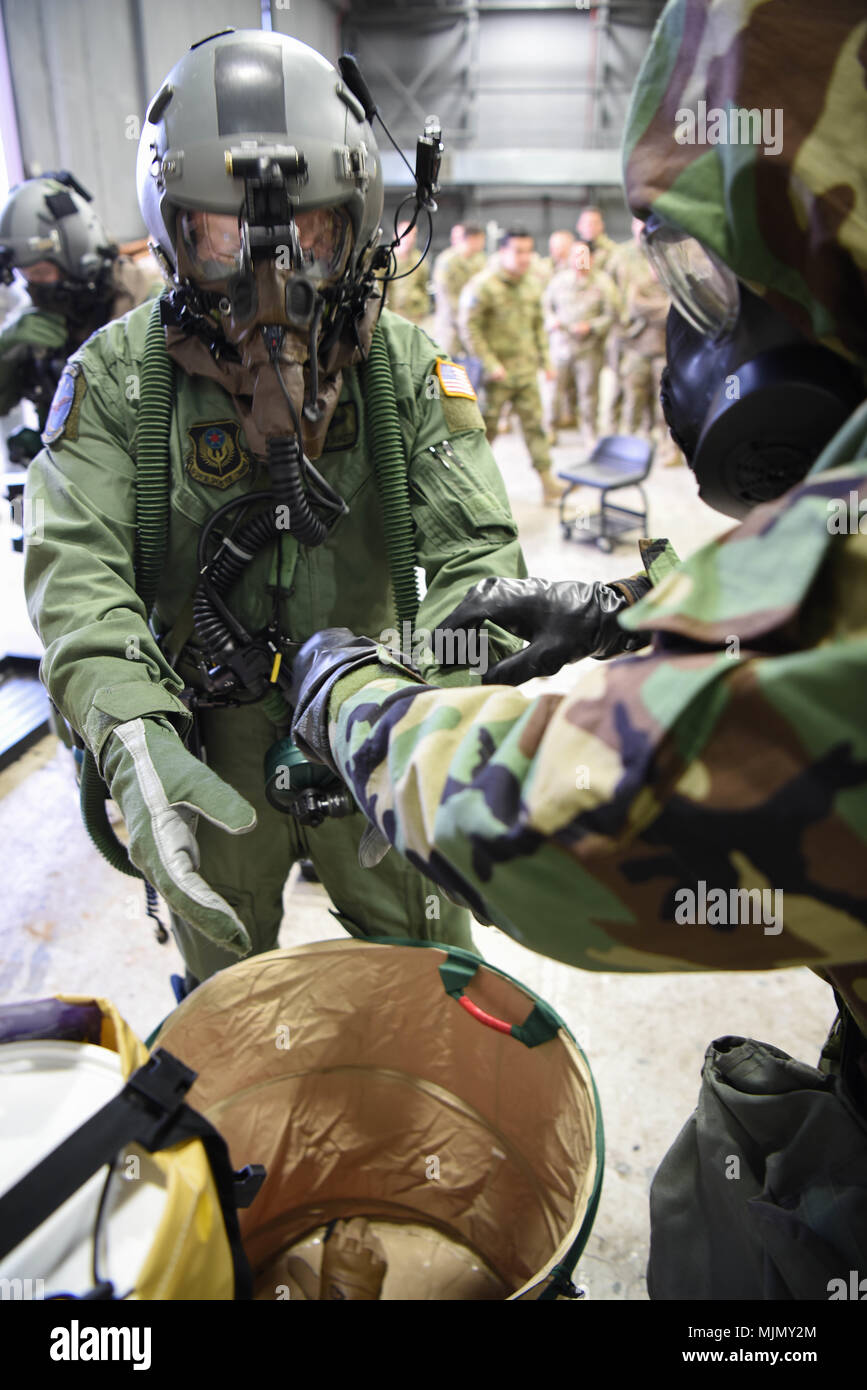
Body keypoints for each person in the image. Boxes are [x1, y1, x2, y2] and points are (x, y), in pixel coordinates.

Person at [288, 0, 867, 1300]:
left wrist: (351, 701)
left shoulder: (403, 355)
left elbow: (575, 825)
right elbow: (808, 618)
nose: (706, 333)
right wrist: (618, 615)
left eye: (728, 279)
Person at [23, 29, 530, 991]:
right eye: (223, 240)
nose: (274, 280)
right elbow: (77, 578)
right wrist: (131, 731)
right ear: (173, 232)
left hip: (373, 707)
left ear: (359, 221)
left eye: (312, 235)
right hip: (203, 732)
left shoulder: (410, 372)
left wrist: (431, 712)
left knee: (437, 979)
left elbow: (479, 564)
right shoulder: (117, 382)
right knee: (228, 990)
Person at [0, 173, 161, 462]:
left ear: (76, 254)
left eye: (41, 273)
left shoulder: (149, 303)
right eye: (27, 277)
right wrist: (5, 344)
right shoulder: (33, 324)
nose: (36, 287)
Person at [458, 229, 559, 505]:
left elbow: (539, 325)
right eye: (518, 251)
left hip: (526, 372)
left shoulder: (532, 284)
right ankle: (470, 490)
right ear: (503, 252)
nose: (525, 258)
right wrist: (490, 364)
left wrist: (546, 361)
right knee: (484, 432)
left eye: (528, 251)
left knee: (535, 427)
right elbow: (469, 329)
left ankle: (548, 482)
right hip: (496, 376)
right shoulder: (483, 286)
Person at [543, 239, 616, 445]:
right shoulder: (558, 281)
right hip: (561, 345)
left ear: (592, 259)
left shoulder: (603, 283)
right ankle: (550, 428)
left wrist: (591, 326)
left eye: (584, 255)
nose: (579, 260)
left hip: (589, 347)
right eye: (575, 255)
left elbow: (611, 315)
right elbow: (546, 307)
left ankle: (589, 431)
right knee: (554, 391)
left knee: (589, 392)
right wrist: (551, 320)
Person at [431, 223, 486, 359]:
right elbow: (446, 297)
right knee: (448, 368)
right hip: (450, 328)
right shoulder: (447, 261)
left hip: (472, 329)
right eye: (480, 240)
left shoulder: (480, 261)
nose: (482, 244)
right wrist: (464, 320)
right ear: (472, 239)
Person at [384, 220, 431, 326]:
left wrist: (423, 309)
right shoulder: (386, 258)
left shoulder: (419, 259)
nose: (409, 238)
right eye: (406, 233)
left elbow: (423, 286)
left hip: (414, 315)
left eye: (413, 235)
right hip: (391, 314)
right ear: (396, 235)